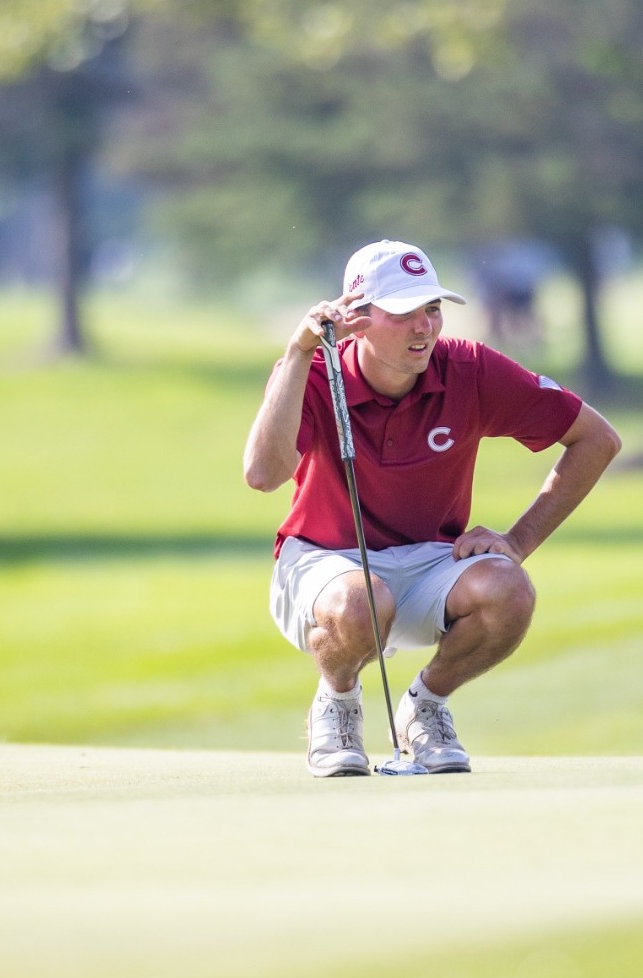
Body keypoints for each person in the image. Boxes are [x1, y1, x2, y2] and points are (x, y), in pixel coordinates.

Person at [244, 240, 622, 777]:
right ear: (356, 317)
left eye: (432, 309)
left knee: (509, 589)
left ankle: (425, 708)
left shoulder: (468, 369)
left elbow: (597, 439)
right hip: (321, 565)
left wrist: (517, 542)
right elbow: (262, 475)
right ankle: (337, 704)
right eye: (403, 313)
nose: (423, 327)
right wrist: (301, 352)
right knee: (360, 602)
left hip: (428, 562)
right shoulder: (310, 372)